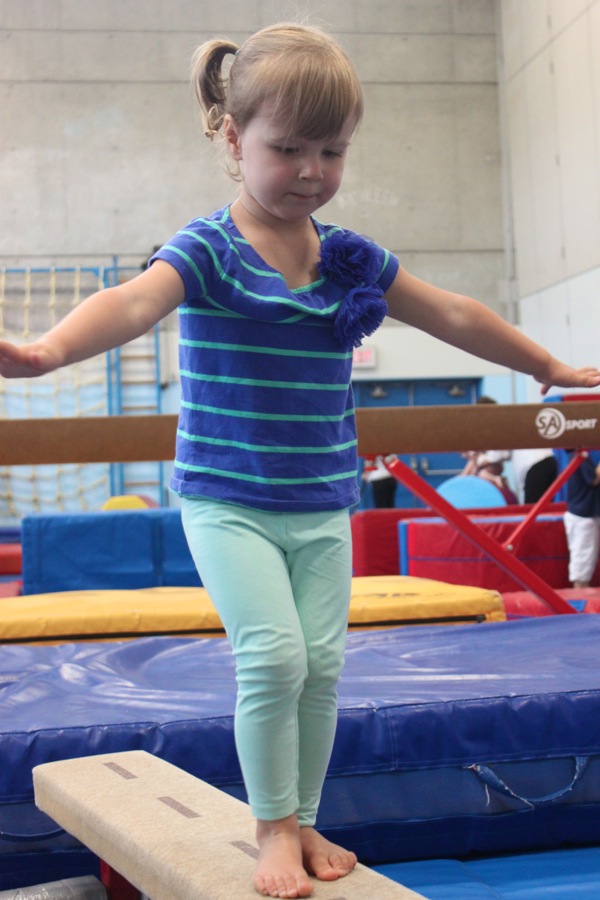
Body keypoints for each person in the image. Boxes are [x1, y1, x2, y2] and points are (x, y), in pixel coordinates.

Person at [1, 22, 599, 899]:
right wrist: (48, 353)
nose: (312, 170)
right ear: (233, 139)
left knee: (322, 666)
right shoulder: (207, 250)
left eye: (332, 150)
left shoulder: (347, 259)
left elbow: (454, 314)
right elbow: (132, 304)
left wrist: (546, 365)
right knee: (275, 657)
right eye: (288, 149)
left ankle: (304, 818)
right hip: (228, 499)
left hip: (321, 500)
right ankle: (271, 826)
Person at [563, 449, 600, 588]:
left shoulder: (581, 456)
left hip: (586, 512)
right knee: (582, 557)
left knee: (586, 556)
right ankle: (580, 592)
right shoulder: (578, 458)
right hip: (582, 515)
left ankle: (581, 587)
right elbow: (595, 479)